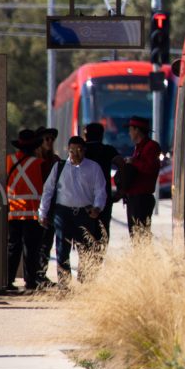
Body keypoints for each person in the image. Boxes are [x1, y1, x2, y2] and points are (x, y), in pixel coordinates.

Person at [39, 136, 107, 284]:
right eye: (72, 151)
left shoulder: (94, 168)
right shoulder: (59, 167)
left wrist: (97, 208)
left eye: (79, 150)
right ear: (67, 150)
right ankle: (64, 284)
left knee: (86, 249)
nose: (75, 154)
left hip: (85, 214)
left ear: (85, 150)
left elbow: (100, 191)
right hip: (62, 214)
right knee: (62, 249)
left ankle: (85, 282)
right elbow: (48, 190)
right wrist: (43, 213)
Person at [5, 129, 46, 292]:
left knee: (13, 247)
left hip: (13, 211)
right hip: (32, 212)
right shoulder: (39, 163)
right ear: (34, 147)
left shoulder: (8, 160)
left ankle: (8, 280)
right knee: (31, 248)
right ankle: (30, 281)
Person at [84, 122, 122, 254]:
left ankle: (86, 262)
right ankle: (98, 261)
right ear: (101, 135)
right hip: (104, 200)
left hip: (84, 200)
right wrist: (120, 190)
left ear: (86, 135)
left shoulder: (81, 151)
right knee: (102, 233)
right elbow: (122, 165)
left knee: (85, 234)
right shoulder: (108, 150)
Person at [123, 116, 161, 238]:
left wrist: (133, 162)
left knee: (140, 235)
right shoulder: (138, 147)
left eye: (130, 130)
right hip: (134, 198)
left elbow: (149, 168)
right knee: (134, 235)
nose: (129, 133)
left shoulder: (152, 146)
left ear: (137, 130)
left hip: (142, 199)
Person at [34, 127, 60, 288]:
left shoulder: (56, 160)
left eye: (52, 139)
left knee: (47, 242)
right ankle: (35, 275)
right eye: (46, 139)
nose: (50, 141)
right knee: (36, 242)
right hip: (34, 206)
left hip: (51, 208)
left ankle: (41, 274)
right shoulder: (34, 160)